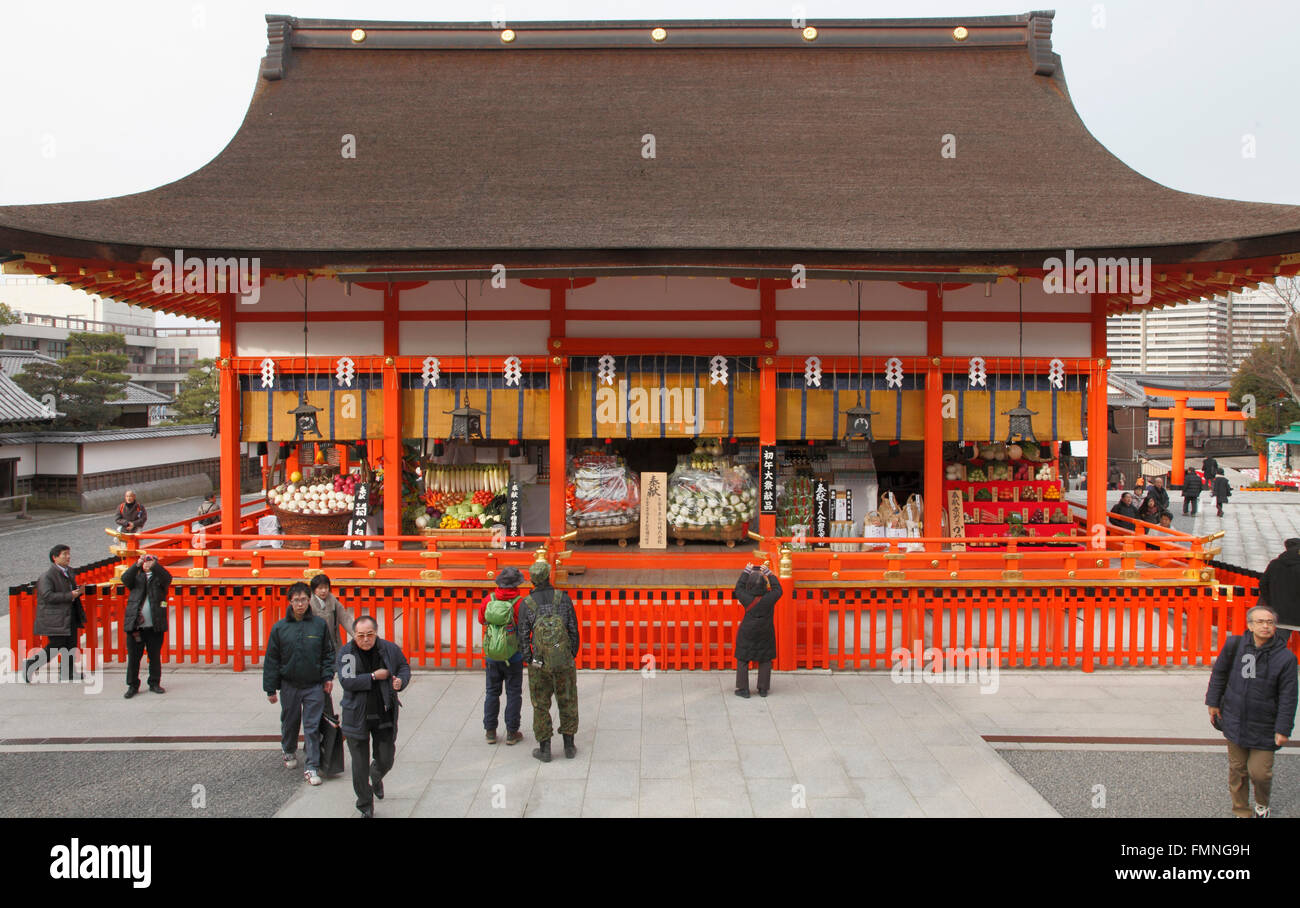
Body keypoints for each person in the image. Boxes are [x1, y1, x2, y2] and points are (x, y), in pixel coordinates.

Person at [1205, 605, 1297, 817]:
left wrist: (1283, 728)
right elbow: (1219, 674)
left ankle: (1262, 803)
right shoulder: (1236, 646)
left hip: (1265, 724)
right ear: (1250, 625)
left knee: (1260, 772)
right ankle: (1241, 810)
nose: (1265, 626)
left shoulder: (1285, 659)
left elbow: (1289, 697)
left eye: (1270, 622)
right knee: (1237, 770)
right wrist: (1213, 703)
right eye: (1260, 622)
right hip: (1234, 717)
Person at [336, 614, 410, 818]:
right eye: (360, 635)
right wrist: (373, 676)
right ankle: (365, 804)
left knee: (386, 759)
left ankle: (376, 776)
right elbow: (348, 681)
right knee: (359, 765)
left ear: (376, 633)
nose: (366, 639)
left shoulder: (388, 648)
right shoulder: (348, 652)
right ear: (354, 635)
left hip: (383, 713)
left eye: (370, 634)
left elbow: (403, 666)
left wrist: (400, 681)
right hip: (356, 717)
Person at [264, 582, 335, 787]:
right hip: (289, 684)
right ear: (290, 602)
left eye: (304, 599)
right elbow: (272, 659)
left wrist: (327, 677)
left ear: (309, 600)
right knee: (290, 720)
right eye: (296, 600)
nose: (301, 604)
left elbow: (328, 653)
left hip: (314, 684)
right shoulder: (280, 628)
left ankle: (312, 765)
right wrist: (271, 688)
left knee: (312, 726)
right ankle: (288, 748)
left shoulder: (319, 625)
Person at [518, 560, 580, 763]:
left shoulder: (527, 604)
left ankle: (545, 748)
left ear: (532, 579)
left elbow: (523, 636)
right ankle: (569, 746)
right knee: (568, 700)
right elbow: (573, 629)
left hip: (539, 662)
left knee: (541, 703)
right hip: (563, 660)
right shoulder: (563, 599)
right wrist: (570, 654)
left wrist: (531, 659)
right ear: (548, 576)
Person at [478, 565, 526, 746]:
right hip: (513, 654)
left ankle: (490, 731)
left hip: (492, 654)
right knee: (513, 693)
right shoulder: (520, 602)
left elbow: (482, 620)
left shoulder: (488, 600)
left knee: (492, 692)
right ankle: (512, 732)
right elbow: (524, 625)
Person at [24, 544, 85, 683]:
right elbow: (47, 596)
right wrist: (70, 595)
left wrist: (77, 593)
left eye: (68, 553)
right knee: (56, 644)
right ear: (55, 557)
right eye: (64, 554)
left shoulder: (69, 572)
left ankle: (68, 672)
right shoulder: (47, 576)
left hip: (69, 614)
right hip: (55, 617)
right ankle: (31, 664)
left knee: (70, 644)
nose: (68, 556)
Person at [121, 552, 172, 697]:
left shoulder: (159, 580)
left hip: (155, 625)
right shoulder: (136, 578)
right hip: (136, 626)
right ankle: (132, 685)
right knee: (134, 657)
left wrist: (155, 566)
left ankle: (154, 682)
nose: (147, 563)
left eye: (150, 561)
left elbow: (167, 577)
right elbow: (125, 578)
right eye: (145, 561)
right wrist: (136, 564)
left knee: (154, 656)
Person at [733, 563, 783, 698]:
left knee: (743, 658)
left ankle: (743, 689)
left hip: (747, 630)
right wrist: (769, 574)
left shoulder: (746, 598)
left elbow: (738, 588)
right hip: (765, 630)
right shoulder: (769, 598)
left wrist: (746, 571)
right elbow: (778, 589)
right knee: (765, 659)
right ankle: (763, 689)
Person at [1259, 538, 1300, 636]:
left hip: (1279, 616)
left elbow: (1263, 585)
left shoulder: (1275, 564)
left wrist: (1271, 602)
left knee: (1277, 648)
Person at [309, 574, 355, 652]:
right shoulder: (309, 603)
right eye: (320, 588)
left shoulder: (333, 600)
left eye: (326, 587)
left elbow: (345, 619)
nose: (323, 591)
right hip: (315, 643)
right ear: (314, 590)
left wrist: (357, 635)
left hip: (333, 642)